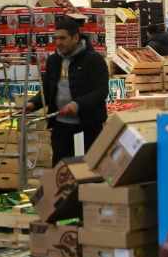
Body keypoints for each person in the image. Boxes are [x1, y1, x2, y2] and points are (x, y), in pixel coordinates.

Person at [32, 14, 110, 164]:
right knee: (61, 170)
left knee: (87, 169)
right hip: (61, 127)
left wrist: (78, 104)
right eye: (56, 38)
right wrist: (32, 104)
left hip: (88, 127)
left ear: (75, 38)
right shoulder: (53, 61)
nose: (58, 42)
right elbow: (47, 91)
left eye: (63, 38)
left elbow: (101, 91)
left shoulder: (94, 60)